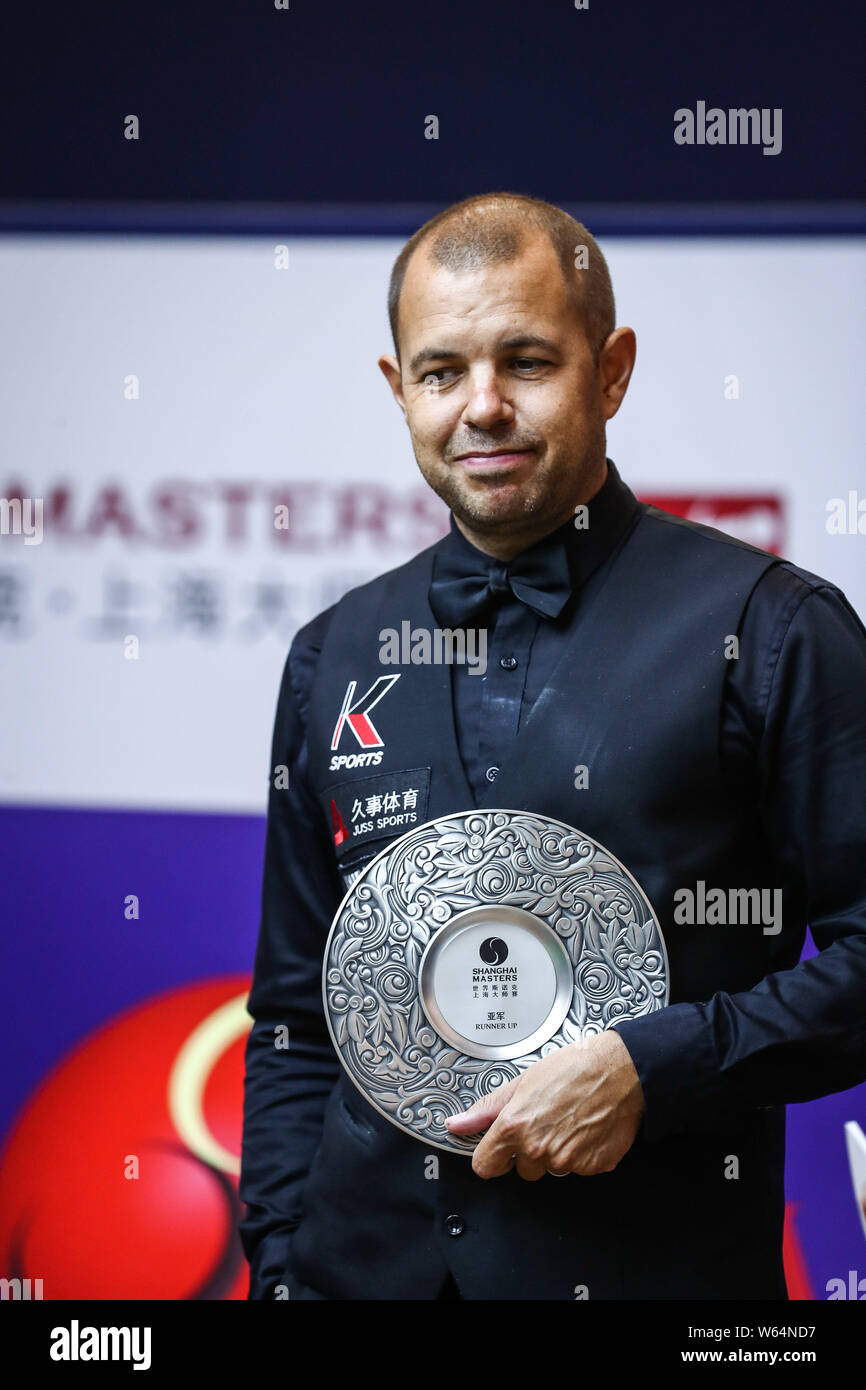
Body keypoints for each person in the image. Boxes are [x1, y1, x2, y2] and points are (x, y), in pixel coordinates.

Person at [239, 191, 866, 1300]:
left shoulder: (769, 630)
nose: (481, 407)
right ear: (399, 390)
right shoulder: (330, 653)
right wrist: (284, 1260)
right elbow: (295, 1017)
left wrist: (656, 1066)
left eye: (525, 361)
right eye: (440, 373)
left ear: (609, 370)